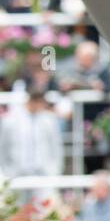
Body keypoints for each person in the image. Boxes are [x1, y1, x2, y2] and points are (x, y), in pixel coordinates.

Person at [0, 71, 64, 206]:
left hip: (43, 172)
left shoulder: (49, 120)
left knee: (42, 210)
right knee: (17, 210)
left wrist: (54, 170)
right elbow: (3, 146)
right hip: (17, 173)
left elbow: (56, 147)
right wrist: (6, 170)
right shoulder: (10, 120)